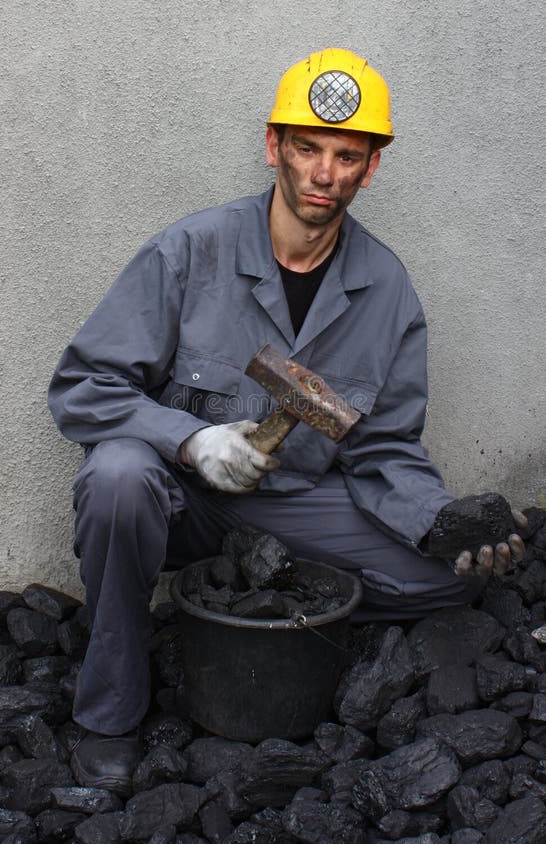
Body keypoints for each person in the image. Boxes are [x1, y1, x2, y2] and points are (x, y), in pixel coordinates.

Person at [48, 47, 525, 795]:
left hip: (296, 506)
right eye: (306, 148)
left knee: (446, 583)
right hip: (183, 498)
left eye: (346, 154)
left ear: (371, 167)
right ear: (274, 147)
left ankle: (249, 596)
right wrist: (191, 439)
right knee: (115, 475)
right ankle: (110, 707)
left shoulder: (387, 292)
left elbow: (385, 448)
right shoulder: (190, 252)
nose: (323, 174)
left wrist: (438, 520)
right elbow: (81, 387)